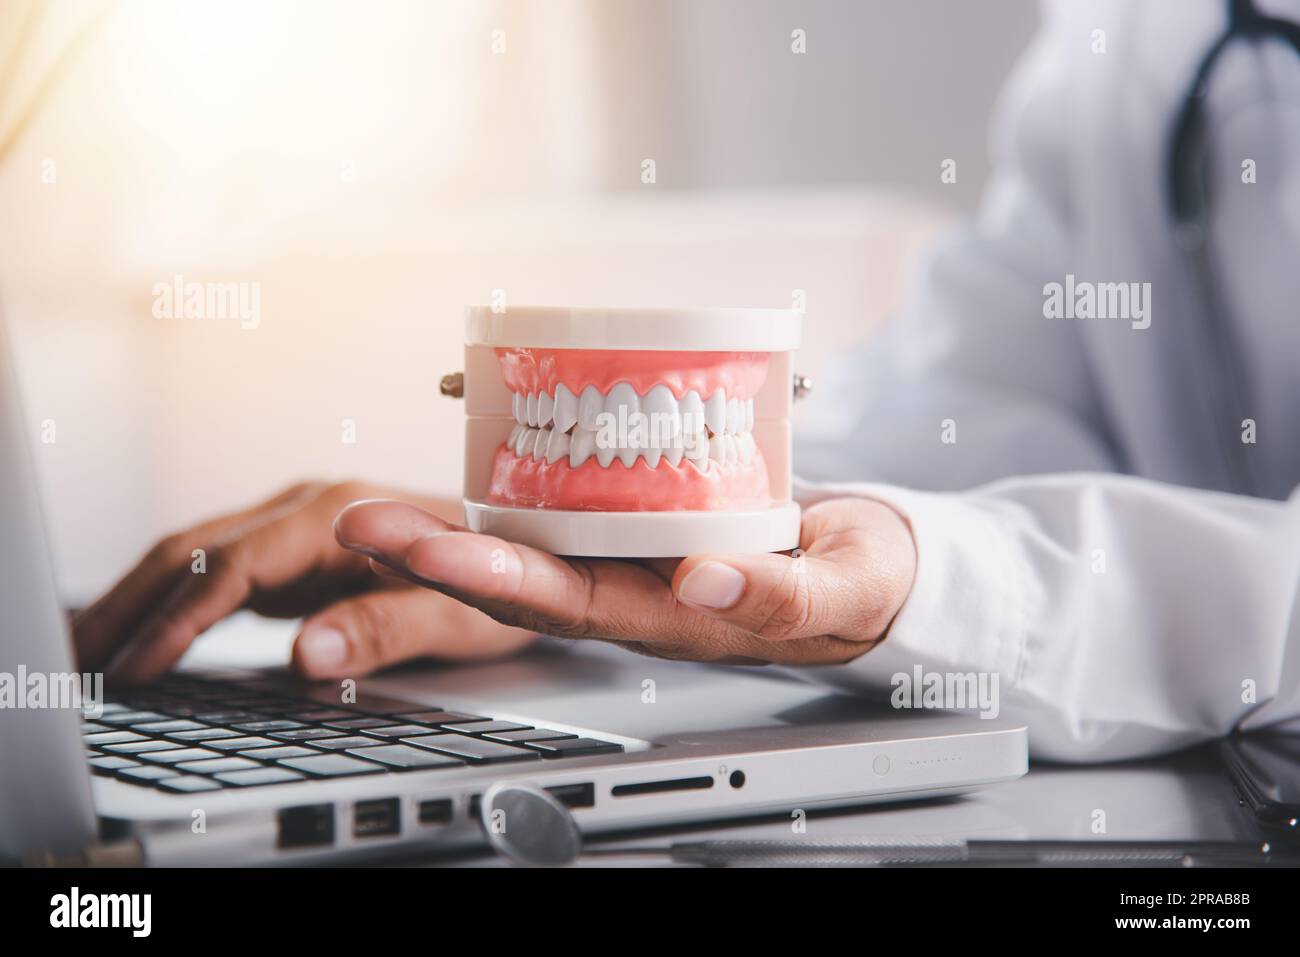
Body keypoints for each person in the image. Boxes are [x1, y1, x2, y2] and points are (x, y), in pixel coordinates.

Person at [74, 0, 1300, 762]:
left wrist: (936, 583)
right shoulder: (1130, 33)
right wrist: (563, 546)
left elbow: (958, 559)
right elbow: (946, 433)